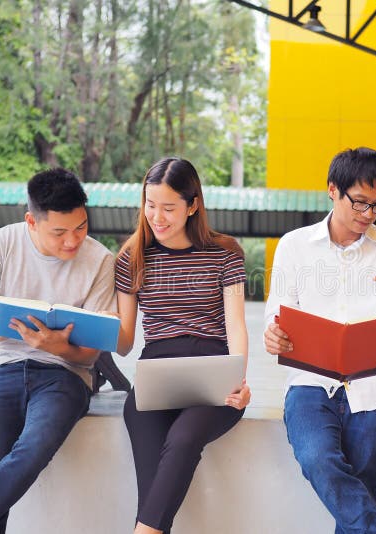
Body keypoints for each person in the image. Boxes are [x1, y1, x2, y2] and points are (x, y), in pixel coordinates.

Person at [0, 168, 117, 533]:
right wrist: (26, 327)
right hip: (3, 372)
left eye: (81, 227)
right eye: (60, 232)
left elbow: (90, 354)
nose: (73, 241)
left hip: (65, 378)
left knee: (31, 449)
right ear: (32, 222)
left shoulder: (101, 260)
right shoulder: (0, 244)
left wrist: (58, 346)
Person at [264, 147, 376, 534]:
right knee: (317, 457)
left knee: (368, 468)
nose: (368, 215)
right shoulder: (294, 245)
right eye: (360, 203)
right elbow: (277, 313)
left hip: (372, 389)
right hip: (309, 385)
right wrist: (274, 334)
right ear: (332, 191)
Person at [114, 157, 251, 534]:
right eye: (150, 204)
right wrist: (83, 331)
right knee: (152, 475)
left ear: (192, 206)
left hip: (213, 379)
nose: (157, 216)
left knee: (184, 437)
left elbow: (236, 325)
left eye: (169, 208)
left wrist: (239, 379)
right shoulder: (131, 257)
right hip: (155, 375)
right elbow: (125, 341)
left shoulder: (226, 253)